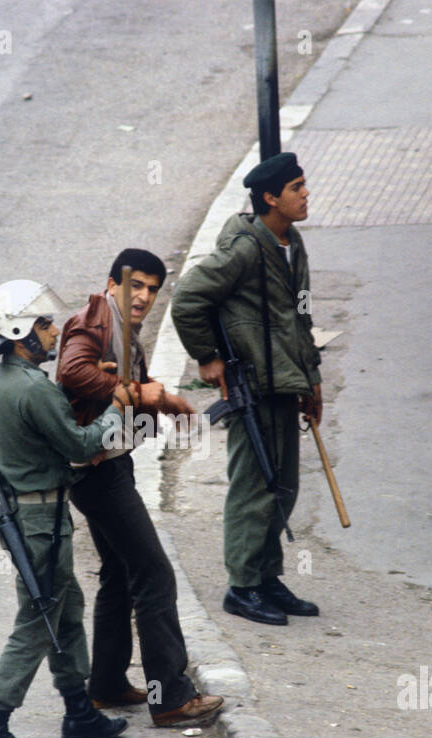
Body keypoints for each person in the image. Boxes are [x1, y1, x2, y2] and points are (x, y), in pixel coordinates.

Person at [0, 279, 139, 738]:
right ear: (21, 330)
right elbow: (82, 446)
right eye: (44, 325)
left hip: (25, 515)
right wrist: (116, 409)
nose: (54, 332)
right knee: (40, 620)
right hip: (41, 518)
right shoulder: (32, 389)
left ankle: (79, 711)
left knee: (64, 611)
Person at [56, 249, 226, 726]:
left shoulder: (118, 327)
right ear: (113, 285)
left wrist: (165, 398)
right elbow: (71, 371)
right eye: (136, 286)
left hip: (109, 463)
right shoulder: (94, 322)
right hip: (98, 471)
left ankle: (106, 685)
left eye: (152, 289)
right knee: (154, 575)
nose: (144, 297)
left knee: (118, 574)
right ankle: (171, 698)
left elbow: (129, 379)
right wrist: (132, 394)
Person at [170, 152, 323, 626]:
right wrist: (208, 356)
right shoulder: (243, 249)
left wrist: (311, 378)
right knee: (253, 487)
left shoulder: (292, 243)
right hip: (253, 385)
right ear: (271, 197)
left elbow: (300, 318)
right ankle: (242, 586)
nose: (306, 194)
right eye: (297, 187)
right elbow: (188, 299)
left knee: (283, 486)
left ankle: (266, 576)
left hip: (285, 383)